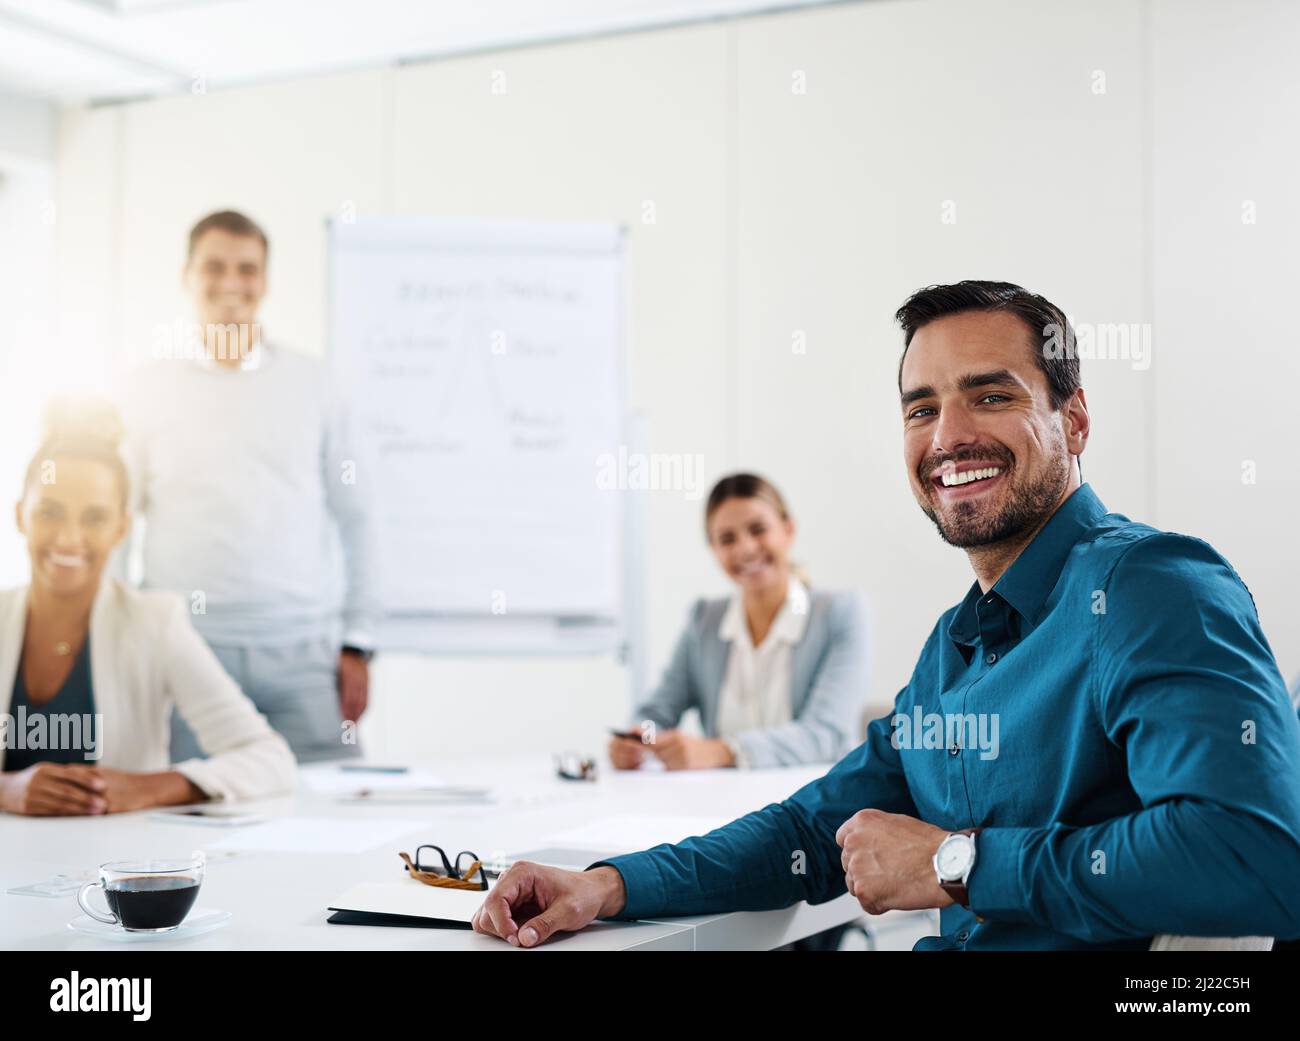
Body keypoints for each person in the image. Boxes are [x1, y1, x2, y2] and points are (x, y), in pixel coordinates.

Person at [471, 280, 1300, 950]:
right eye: (920, 407)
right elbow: (811, 825)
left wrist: (957, 862)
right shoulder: (956, 645)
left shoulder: (1151, 587)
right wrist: (608, 884)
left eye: (989, 394)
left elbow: (1257, 859)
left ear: (1073, 418)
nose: (948, 435)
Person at [119, 210, 381, 763]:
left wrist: (358, 643)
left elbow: (358, 516)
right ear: (187, 276)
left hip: (303, 654)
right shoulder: (145, 389)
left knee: (329, 810)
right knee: (186, 814)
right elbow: (118, 525)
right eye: (214, 267)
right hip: (185, 649)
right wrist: (123, 642)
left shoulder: (315, 384)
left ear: (264, 281)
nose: (231, 283)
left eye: (247, 269)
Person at [0, 400, 296, 815]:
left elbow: (268, 758)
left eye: (94, 518)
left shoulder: (154, 623)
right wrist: (7, 789)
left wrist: (153, 787)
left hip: (119, 869)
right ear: (19, 516)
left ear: (121, 528)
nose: (68, 539)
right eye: (50, 513)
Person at [610, 473, 867, 771]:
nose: (745, 548)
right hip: (726, 803)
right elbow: (657, 711)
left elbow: (827, 734)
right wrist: (637, 740)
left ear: (788, 530)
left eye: (758, 530)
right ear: (714, 550)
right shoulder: (704, 620)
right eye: (727, 539)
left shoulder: (840, 613)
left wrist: (723, 751)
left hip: (816, 804)